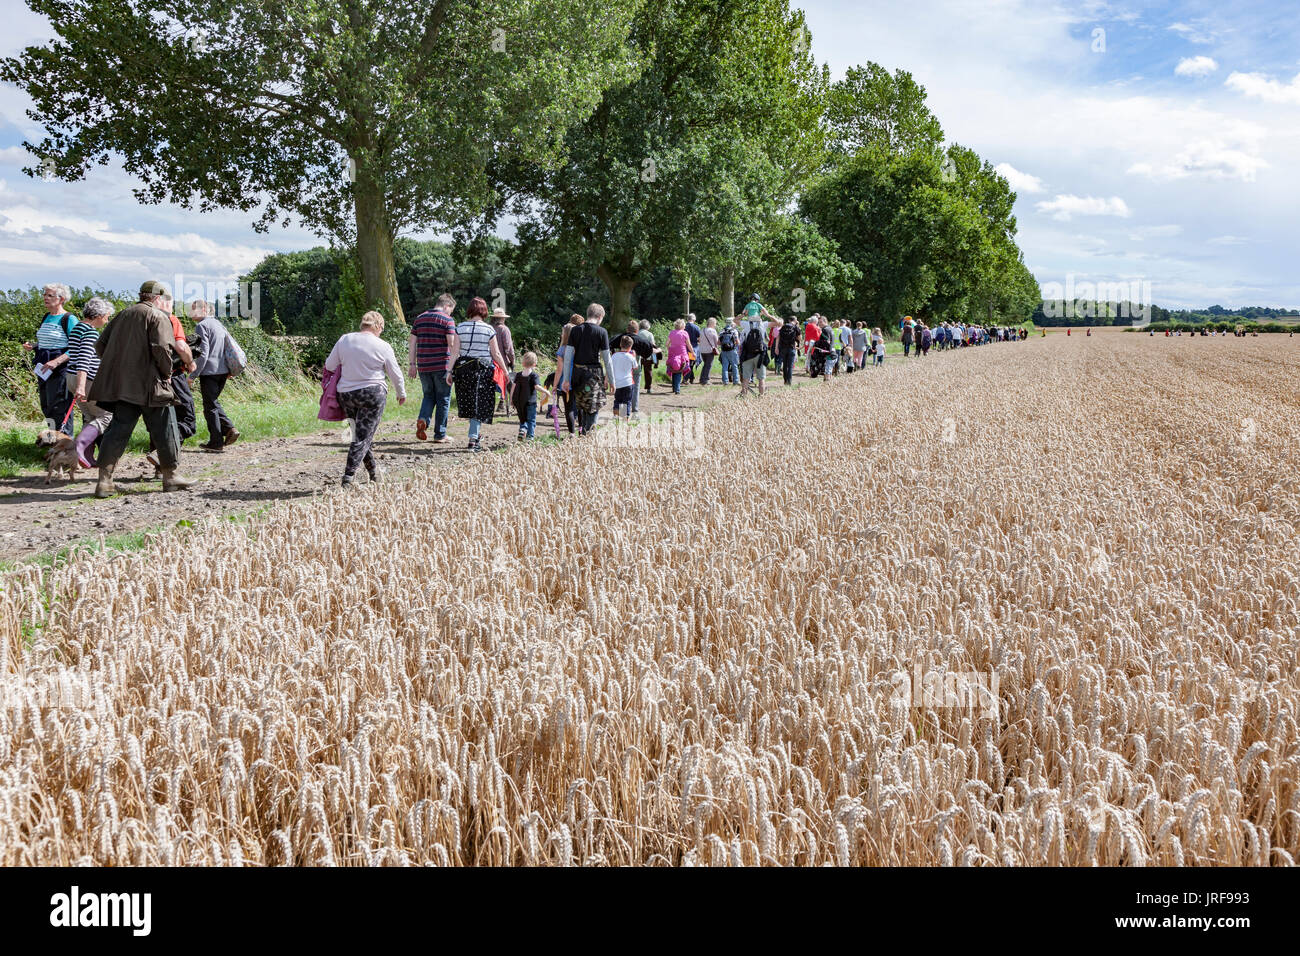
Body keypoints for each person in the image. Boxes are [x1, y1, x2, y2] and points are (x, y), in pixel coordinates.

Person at [88, 280, 196, 497]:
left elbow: (100, 346)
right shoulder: (158, 316)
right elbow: (161, 349)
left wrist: (119, 366)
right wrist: (166, 373)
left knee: (117, 430)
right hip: (151, 385)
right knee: (166, 427)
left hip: (124, 386)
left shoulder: (122, 314)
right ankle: (171, 476)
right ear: (158, 298)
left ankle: (104, 481)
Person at [324, 311, 405, 486]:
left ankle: (374, 473)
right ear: (379, 327)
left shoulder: (344, 340)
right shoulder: (383, 345)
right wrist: (401, 392)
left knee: (358, 434)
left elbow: (329, 365)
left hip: (346, 395)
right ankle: (348, 477)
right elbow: (395, 373)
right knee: (362, 437)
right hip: (372, 395)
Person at [452, 297, 507, 451]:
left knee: (470, 404)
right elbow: (495, 353)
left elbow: (454, 352)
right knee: (480, 404)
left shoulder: (460, 327)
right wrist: (505, 371)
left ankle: (476, 434)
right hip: (482, 371)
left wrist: (449, 372)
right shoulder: (489, 330)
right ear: (484, 311)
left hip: (463, 370)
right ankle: (473, 439)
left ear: (470, 310)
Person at [22, 283, 78, 434]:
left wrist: (56, 361)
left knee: (59, 405)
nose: (45, 298)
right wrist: (34, 345)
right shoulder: (47, 317)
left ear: (61, 299)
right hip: (44, 368)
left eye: (50, 295)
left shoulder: (69, 319)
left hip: (61, 370)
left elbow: (78, 346)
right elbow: (49, 341)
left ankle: (65, 444)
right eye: (45, 295)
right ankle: (53, 439)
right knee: (47, 405)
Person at [189, 299, 243, 452]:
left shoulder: (202, 326)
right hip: (223, 371)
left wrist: (193, 375)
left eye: (194, 309)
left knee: (210, 407)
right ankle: (229, 430)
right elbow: (228, 347)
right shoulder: (218, 324)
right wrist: (231, 370)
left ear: (204, 309)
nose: (190, 312)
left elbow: (203, 353)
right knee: (212, 403)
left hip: (210, 372)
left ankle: (216, 443)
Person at [67, 296, 114, 468]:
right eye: (107, 316)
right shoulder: (90, 332)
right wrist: (81, 386)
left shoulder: (77, 328)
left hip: (70, 377)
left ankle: (87, 457)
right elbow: (84, 360)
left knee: (89, 416)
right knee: (105, 416)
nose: (107, 319)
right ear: (99, 315)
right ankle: (79, 446)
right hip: (86, 380)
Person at [408, 293, 459, 444]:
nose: (450, 313)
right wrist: (456, 363)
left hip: (423, 365)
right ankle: (440, 434)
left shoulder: (419, 318)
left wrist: (412, 365)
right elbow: (451, 344)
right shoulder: (447, 320)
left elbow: (412, 343)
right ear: (446, 306)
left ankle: (423, 419)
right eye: (451, 310)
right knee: (443, 398)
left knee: (428, 395)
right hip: (442, 365)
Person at [561, 303, 614, 434]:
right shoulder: (602, 332)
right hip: (593, 376)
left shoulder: (575, 330)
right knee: (593, 408)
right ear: (600, 316)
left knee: (583, 407)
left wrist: (566, 379)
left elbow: (567, 358)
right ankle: (588, 437)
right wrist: (612, 380)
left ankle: (583, 436)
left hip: (577, 375)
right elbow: (607, 359)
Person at [556, 312, 584, 432]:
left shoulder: (562, 350)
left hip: (565, 381)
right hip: (578, 379)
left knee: (569, 408)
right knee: (580, 406)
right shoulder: (579, 349)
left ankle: (571, 433)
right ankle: (581, 429)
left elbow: (559, 369)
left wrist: (555, 384)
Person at [510, 351, 547, 441]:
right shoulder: (534, 375)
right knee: (531, 420)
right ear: (534, 364)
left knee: (522, 417)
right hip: (530, 402)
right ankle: (530, 437)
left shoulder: (518, 375)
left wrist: (511, 399)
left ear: (523, 363)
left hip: (519, 401)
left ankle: (522, 430)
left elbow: (513, 388)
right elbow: (536, 386)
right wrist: (546, 391)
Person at [737, 309, 769, 397]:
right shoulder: (763, 324)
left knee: (746, 378)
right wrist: (767, 315)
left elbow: (734, 320)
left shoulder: (746, 324)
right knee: (761, 378)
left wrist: (743, 314)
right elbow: (778, 323)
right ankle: (761, 395)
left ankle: (744, 395)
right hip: (760, 355)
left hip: (748, 355)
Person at [490, 307, 514, 413]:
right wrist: (512, 360)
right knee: (505, 381)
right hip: (502, 360)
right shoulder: (504, 329)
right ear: (503, 319)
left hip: (489, 359)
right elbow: (508, 348)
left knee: (491, 382)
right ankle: (502, 402)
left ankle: (491, 403)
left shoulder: (490, 328)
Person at [609, 336, 638, 421]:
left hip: (617, 383)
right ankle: (625, 419)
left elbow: (610, 368)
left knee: (617, 400)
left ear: (620, 344)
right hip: (628, 382)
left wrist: (607, 380)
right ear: (630, 346)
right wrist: (634, 356)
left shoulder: (614, 356)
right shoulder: (631, 356)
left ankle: (616, 416)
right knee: (626, 402)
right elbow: (635, 367)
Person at [667, 318, 691, 394]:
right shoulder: (685, 333)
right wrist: (693, 352)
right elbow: (688, 345)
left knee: (673, 370)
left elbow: (667, 344)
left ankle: (674, 387)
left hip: (672, 354)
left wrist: (670, 349)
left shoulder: (671, 333)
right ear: (682, 326)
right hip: (682, 354)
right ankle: (677, 389)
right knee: (679, 370)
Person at [634, 320, 658, 393]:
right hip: (647, 356)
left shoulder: (636, 333)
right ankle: (649, 388)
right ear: (647, 326)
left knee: (636, 372)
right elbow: (652, 345)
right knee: (648, 372)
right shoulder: (650, 334)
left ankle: (636, 387)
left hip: (637, 355)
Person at [777, 315, 801, 385]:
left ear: (789, 320)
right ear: (795, 320)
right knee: (790, 366)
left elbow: (778, 336)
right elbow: (800, 338)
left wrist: (777, 347)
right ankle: (789, 382)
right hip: (791, 348)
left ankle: (785, 380)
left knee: (785, 365)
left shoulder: (783, 327)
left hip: (783, 348)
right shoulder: (795, 327)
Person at [717, 316, 740, 385]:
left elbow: (718, 343)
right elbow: (738, 342)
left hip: (724, 350)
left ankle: (725, 381)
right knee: (734, 365)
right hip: (732, 350)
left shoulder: (722, 331)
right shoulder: (734, 331)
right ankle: (735, 381)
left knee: (725, 366)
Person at [697, 317, 720, 385]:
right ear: (712, 323)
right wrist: (716, 347)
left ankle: (702, 378)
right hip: (710, 350)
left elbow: (699, 340)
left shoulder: (702, 330)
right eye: (715, 323)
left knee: (705, 365)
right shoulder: (713, 331)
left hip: (702, 350)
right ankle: (705, 380)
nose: (715, 325)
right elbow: (717, 341)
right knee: (709, 365)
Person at [684, 313, 701, 384]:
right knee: (691, 364)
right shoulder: (696, 327)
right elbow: (699, 338)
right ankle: (686, 378)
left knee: (688, 364)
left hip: (684, 348)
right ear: (694, 319)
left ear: (687, 319)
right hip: (693, 348)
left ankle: (691, 378)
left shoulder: (683, 326)